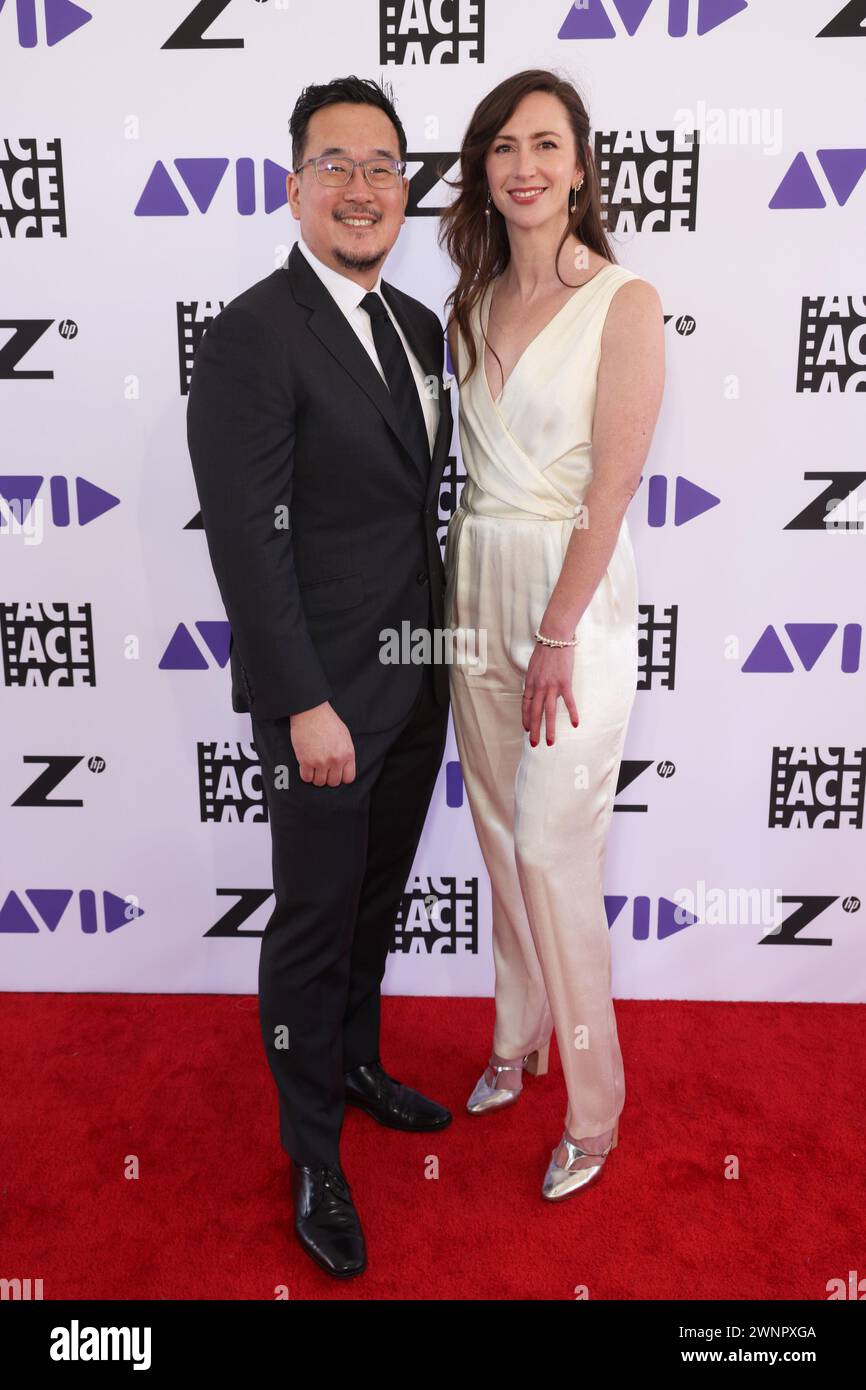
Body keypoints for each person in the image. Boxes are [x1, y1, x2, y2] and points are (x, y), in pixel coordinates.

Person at [187, 75, 454, 1279]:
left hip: (415, 679)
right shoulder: (253, 332)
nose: (360, 188)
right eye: (334, 164)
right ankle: (312, 1153)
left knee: (371, 903)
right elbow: (248, 538)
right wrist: (303, 703)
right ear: (293, 184)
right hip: (322, 700)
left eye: (382, 166)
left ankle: (353, 1063)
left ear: (406, 188)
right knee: (309, 924)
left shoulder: (415, 327)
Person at [439, 69, 665, 1201]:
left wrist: (561, 629)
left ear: (579, 165)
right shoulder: (469, 302)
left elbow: (612, 487)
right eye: (500, 147)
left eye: (544, 144)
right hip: (473, 585)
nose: (522, 165)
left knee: (550, 848)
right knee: (493, 832)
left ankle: (594, 1105)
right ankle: (515, 1037)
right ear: (484, 171)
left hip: (570, 602)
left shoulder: (623, 301)